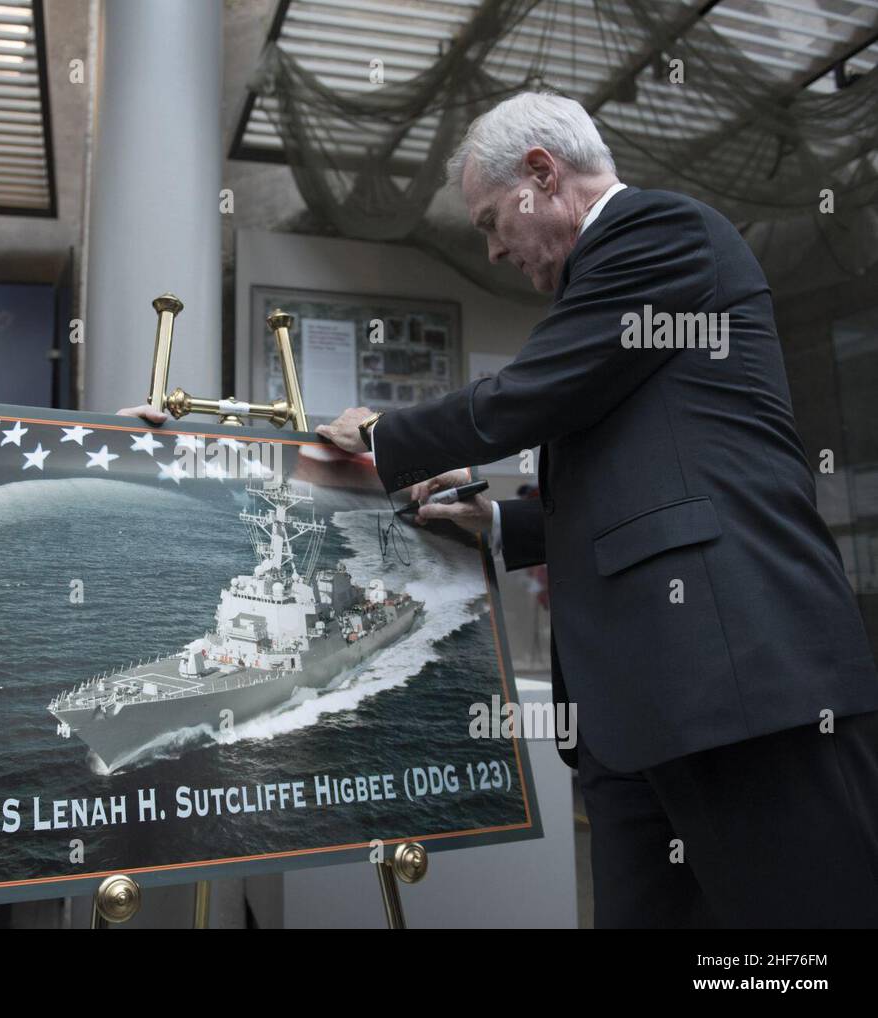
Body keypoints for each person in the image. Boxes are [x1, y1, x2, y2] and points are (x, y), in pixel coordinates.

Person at [319, 91, 878, 928]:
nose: (495, 248)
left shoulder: (663, 234)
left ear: (541, 175)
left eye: (488, 220)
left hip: (741, 689)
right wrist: (501, 526)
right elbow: (641, 491)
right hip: (641, 723)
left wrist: (385, 433)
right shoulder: (609, 293)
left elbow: (528, 396)